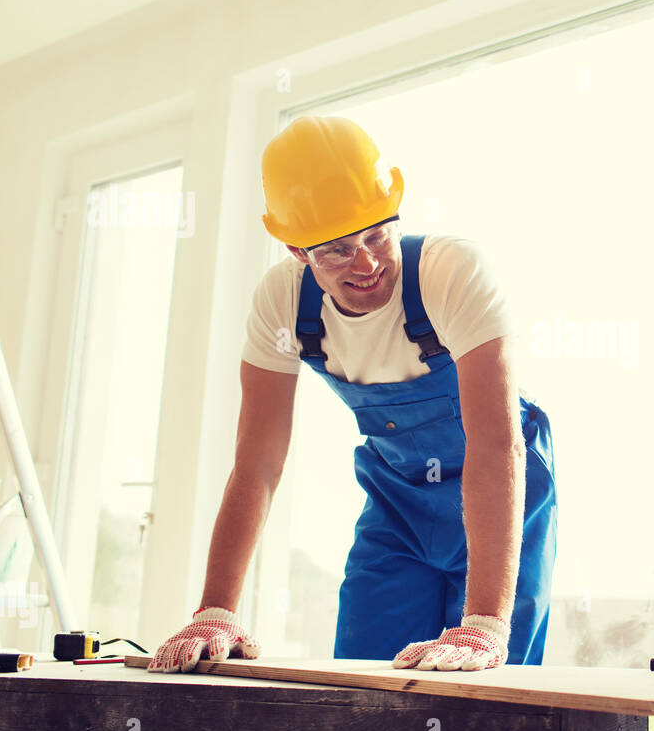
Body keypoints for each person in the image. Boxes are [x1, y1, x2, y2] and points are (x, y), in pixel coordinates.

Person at [150, 115, 556, 674]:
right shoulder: (283, 306)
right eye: (337, 250)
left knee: (492, 696)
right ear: (296, 249)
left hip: (501, 490)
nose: (366, 263)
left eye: (375, 235)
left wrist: (484, 623)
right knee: (361, 688)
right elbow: (258, 462)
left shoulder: (451, 272)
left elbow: (495, 442)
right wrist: (215, 609)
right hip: (397, 501)